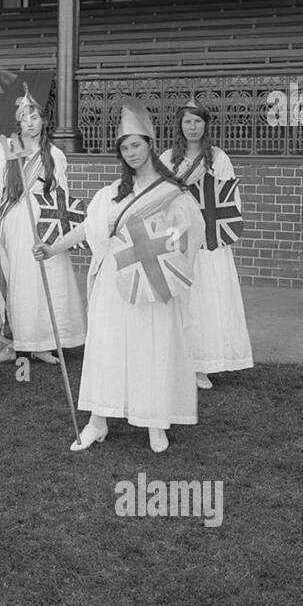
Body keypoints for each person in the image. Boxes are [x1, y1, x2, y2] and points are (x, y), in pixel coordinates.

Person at [35, 102, 205, 454]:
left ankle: (155, 422)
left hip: (153, 278)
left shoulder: (171, 191)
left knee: (152, 345)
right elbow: (89, 227)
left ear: (150, 145)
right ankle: (98, 421)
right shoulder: (112, 193)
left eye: (136, 146)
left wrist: (169, 243)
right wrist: (53, 248)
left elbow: (189, 232)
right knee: (109, 347)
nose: (131, 153)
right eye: (125, 148)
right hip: (116, 279)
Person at [0, 86, 85, 366]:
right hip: (14, 222)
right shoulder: (6, 149)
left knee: (44, 281)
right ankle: (9, 343)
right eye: (25, 117)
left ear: (43, 120)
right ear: (18, 123)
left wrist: (61, 232)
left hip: (43, 224)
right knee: (14, 280)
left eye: (35, 116)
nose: (30, 122)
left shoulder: (55, 155)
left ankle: (42, 342)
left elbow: (62, 195)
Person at [159, 100, 254, 387]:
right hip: (179, 237)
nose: (192, 127)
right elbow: (157, 197)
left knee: (208, 298)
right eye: (187, 121)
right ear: (180, 125)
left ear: (205, 125)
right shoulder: (167, 159)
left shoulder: (218, 157)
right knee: (182, 299)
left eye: (198, 121)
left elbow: (227, 198)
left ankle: (204, 362)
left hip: (209, 240)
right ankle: (178, 360)